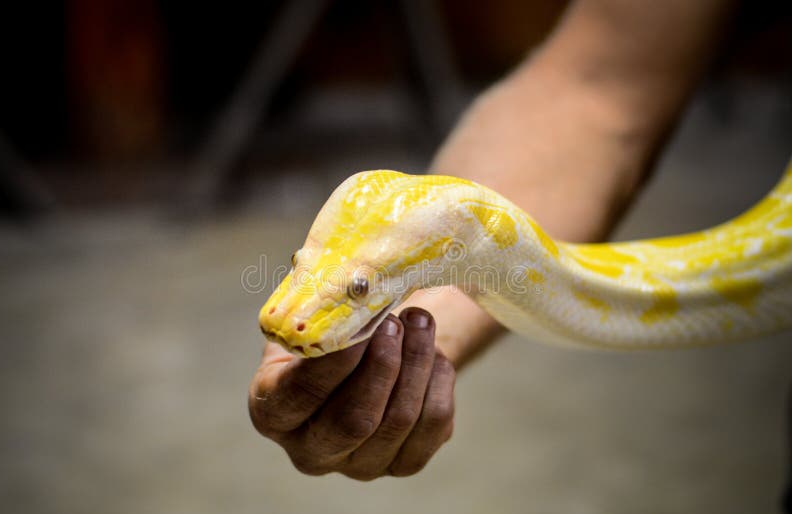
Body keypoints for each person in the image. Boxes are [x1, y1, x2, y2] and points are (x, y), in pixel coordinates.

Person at [248, 0, 740, 480]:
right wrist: (421, 343)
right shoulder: (456, 234)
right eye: (300, 266)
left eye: (357, 288)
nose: (283, 317)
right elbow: (599, 87)